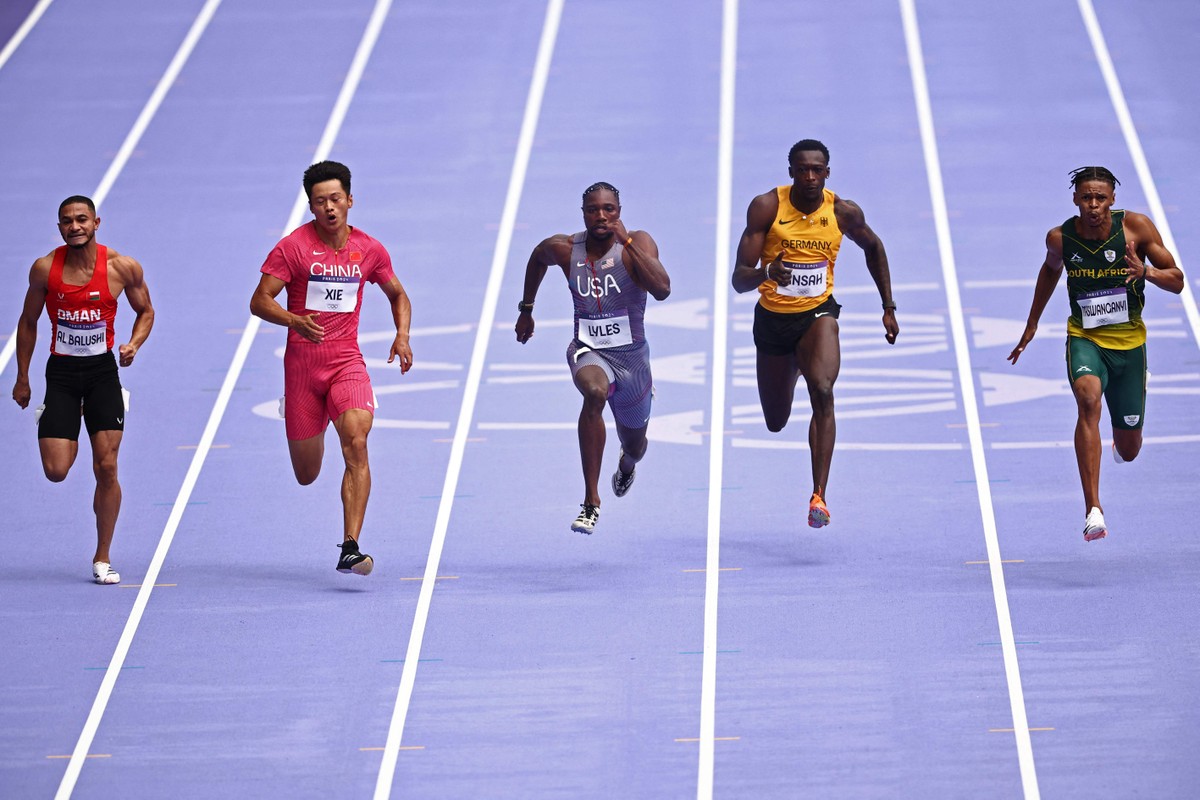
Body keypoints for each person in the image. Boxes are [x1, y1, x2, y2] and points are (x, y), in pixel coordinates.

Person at [250, 161, 413, 575]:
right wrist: (294, 320)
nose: (329, 207)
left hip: (346, 361)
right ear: (311, 206)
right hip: (303, 369)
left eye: (335, 199)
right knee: (307, 473)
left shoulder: (369, 249)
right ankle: (314, 414)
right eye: (320, 201)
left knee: (357, 440)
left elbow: (398, 294)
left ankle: (350, 546)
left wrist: (402, 335)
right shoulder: (293, 248)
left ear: (349, 200)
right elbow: (260, 300)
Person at [1008, 166, 1184, 542]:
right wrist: (1032, 323)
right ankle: (1093, 509)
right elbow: (1050, 270)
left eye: (1100, 198)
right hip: (1085, 337)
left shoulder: (1136, 229)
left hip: (1129, 344)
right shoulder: (1060, 238)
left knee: (1129, 450)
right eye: (1086, 197)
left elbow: (1178, 281)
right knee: (1088, 400)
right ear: (1075, 199)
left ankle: (1134, 395)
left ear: (1112, 200)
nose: (1093, 204)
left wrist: (1146, 273)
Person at [731, 139, 899, 529]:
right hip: (773, 321)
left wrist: (888, 306)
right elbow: (739, 280)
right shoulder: (767, 207)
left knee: (822, 390)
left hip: (817, 314)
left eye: (817, 170)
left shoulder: (842, 211)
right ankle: (793, 365)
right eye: (802, 170)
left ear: (827, 173)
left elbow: (874, 247)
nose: (810, 177)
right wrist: (767, 272)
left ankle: (819, 495)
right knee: (775, 420)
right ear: (791, 172)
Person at [11, 196, 155, 584]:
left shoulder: (121, 267)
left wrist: (134, 344)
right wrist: (22, 377)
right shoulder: (45, 269)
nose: (74, 226)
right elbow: (28, 321)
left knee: (106, 467)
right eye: (66, 221)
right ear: (59, 227)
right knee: (56, 471)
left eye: (81, 219)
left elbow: (146, 311)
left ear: (96, 223)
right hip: (61, 375)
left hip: (101, 374)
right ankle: (68, 418)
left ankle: (102, 557)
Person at [515, 182, 671, 534]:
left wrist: (626, 242)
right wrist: (526, 309)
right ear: (583, 214)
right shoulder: (565, 248)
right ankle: (591, 501)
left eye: (608, 209)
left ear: (619, 211)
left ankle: (627, 465)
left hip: (632, 361)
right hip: (588, 349)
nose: (601, 216)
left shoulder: (638, 243)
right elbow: (537, 256)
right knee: (594, 393)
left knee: (635, 446)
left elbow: (662, 289)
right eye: (592, 210)